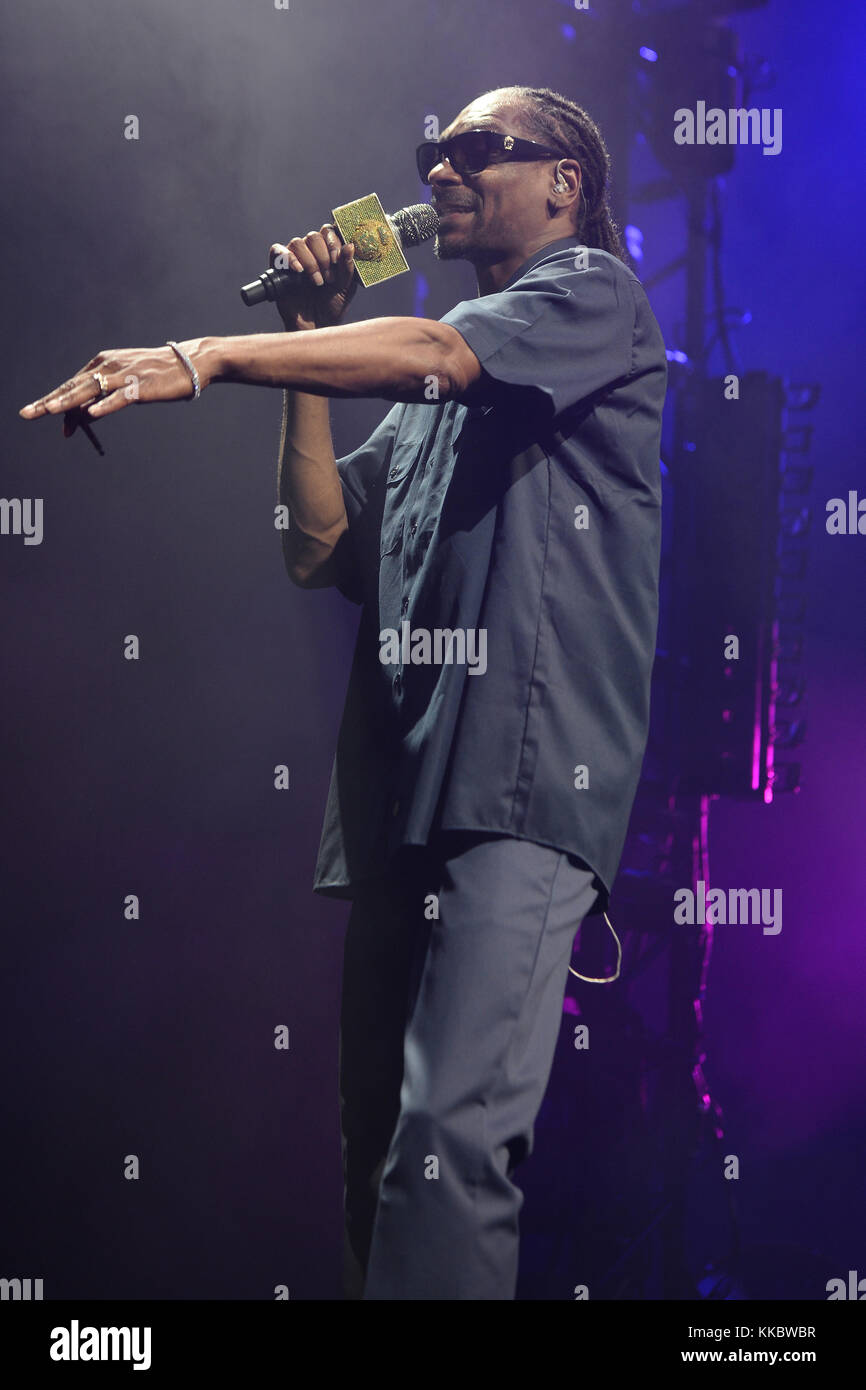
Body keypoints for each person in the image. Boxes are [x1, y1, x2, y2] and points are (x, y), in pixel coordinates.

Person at [20, 84, 667, 1301]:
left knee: (447, 1148)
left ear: (563, 181)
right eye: (430, 151)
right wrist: (312, 352)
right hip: (398, 808)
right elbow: (321, 544)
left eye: (475, 150)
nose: (436, 172)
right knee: (378, 1152)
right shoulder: (435, 373)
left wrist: (202, 355)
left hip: (513, 795)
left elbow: (434, 351)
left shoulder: (589, 295)